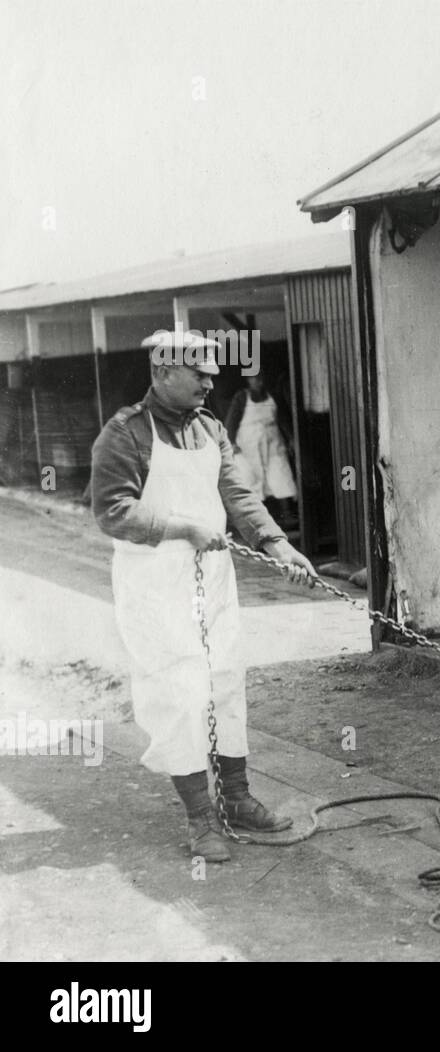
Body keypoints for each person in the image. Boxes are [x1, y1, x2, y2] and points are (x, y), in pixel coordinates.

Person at [90, 329, 319, 863]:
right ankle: (201, 818)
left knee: (224, 681)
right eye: (200, 372)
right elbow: (113, 511)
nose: (212, 382)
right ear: (163, 372)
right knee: (179, 692)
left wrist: (278, 544)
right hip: (154, 581)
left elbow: (236, 492)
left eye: (213, 372)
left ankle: (237, 800)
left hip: (212, 575)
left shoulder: (210, 428)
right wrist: (182, 527)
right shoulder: (124, 434)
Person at [225, 370, 298, 526]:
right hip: (249, 444)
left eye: (260, 378)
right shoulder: (242, 397)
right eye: (254, 378)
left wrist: (291, 438)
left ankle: (286, 515)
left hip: (273, 441)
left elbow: (283, 420)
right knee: (253, 479)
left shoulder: (273, 396)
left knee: (279, 474)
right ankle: (259, 519)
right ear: (248, 380)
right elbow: (231, 422)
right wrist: (231, 443)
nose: (258, 382)